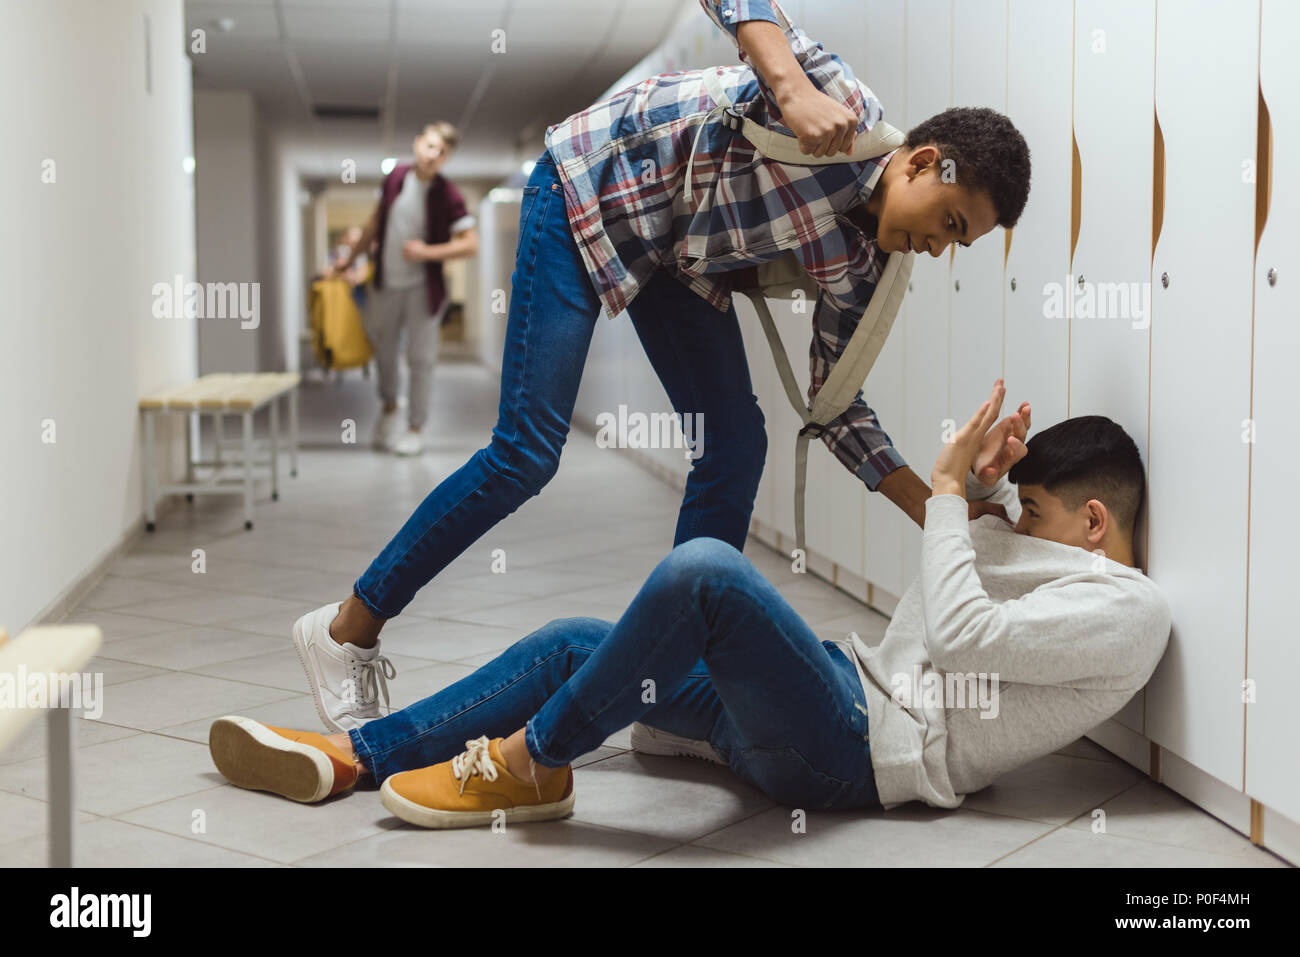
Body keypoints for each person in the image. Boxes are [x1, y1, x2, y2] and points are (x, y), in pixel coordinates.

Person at [288, 0, 1032, 739]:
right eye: (951, 222)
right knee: (526, 452)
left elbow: (836, 406)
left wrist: (944, 504)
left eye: (957, 242)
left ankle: (665, 673)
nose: (938, 247)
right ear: (927, 162)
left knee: (737, 445)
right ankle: (347, 628)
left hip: (674, 261)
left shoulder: (868, 267)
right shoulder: (841, 107)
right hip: (590, 187)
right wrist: (791, 87)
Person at [209, 380, 1172, 826]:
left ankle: (532, 765)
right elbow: (968, 580)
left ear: (1093, 524)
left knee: (705, 569)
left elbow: (962, 636)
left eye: (1034, 511)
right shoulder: (1048, 552)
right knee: (568, 644)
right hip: (835, 692)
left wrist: (958, 498)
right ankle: (352, 757)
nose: (1013, 521)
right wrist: (993, 496)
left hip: (853, 752)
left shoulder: (1129, 615)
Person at [331, 121, 478, 456]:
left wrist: (428, 252)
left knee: (420, 359)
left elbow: (471, 245)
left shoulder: (448, 194)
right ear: (417, 144)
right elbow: (373, 224)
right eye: (430, 146)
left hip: (423, 291)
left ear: (446, 159)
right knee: (383, 351)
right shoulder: (396, 177)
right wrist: (349, 260)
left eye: (442, 152)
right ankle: (389, 409)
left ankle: (415, 427)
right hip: (386, 283)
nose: (433, 155)